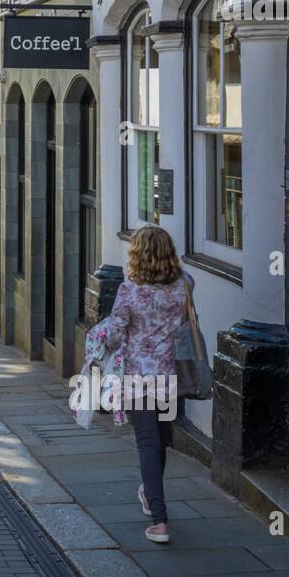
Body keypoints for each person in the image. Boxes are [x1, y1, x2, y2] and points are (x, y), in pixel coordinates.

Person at [94, 225, 190, 545]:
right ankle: (150, 497)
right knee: (160, 441)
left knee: (147, 443)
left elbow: (116, 333)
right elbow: (187, 324)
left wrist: (98, 343)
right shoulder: (185, 285)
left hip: (138, 377)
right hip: (168, 374)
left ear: (137, 254)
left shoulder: (129, 290)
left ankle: (160, 522)